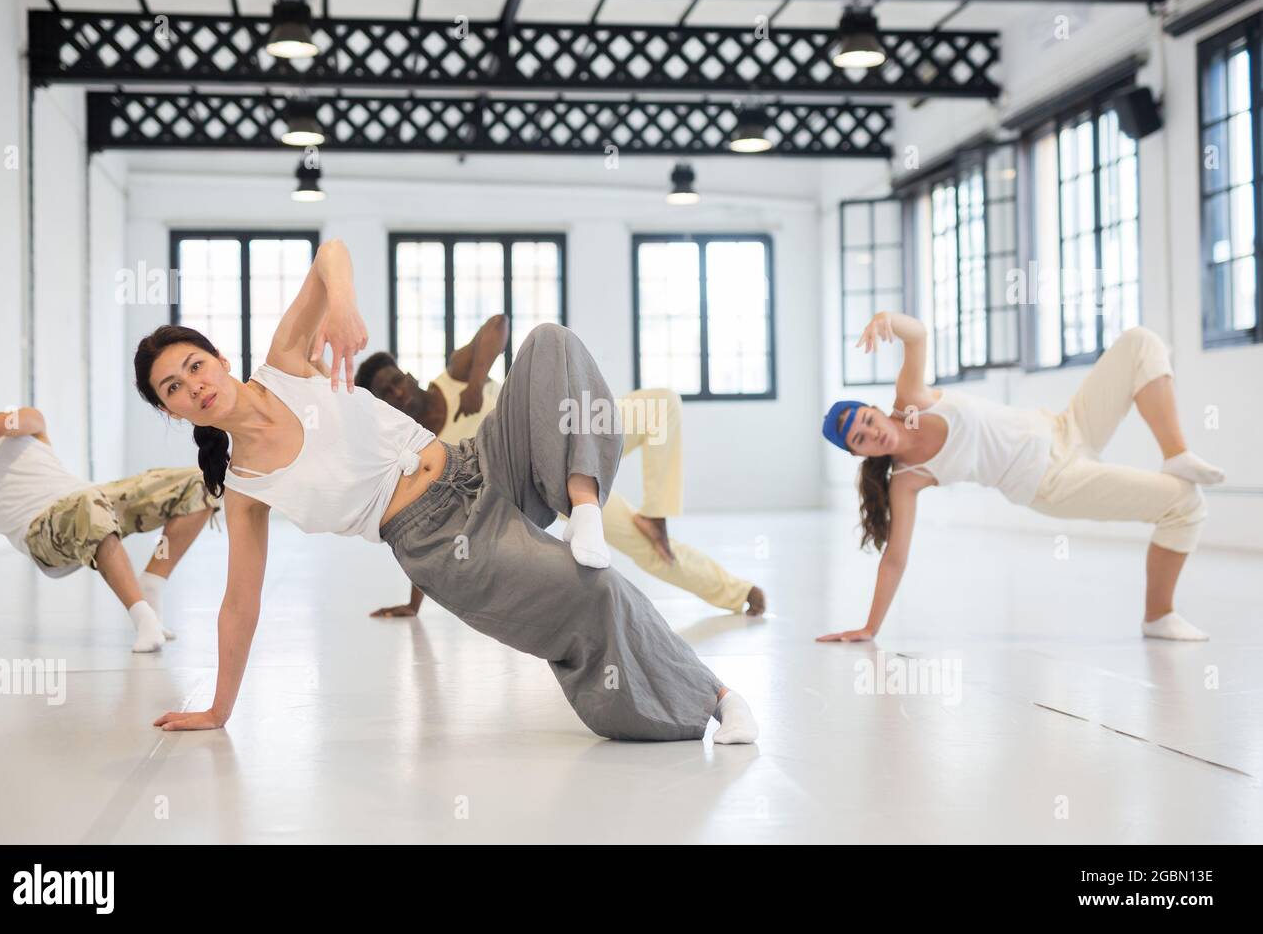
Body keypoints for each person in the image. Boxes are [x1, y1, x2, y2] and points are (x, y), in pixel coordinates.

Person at [134, 239, 758, 743]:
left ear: (216, 357)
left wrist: (343, 302)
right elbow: (239, 605)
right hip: (440, 540)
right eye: (173, 389)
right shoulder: (245, 488)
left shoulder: (286, 363)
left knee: (549, 342)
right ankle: (716, 698)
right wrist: (218, 708)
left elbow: (330, 253)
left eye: (194, 366)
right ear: (173, 412)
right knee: (592, 591)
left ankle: (584, 504)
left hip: (476, 462)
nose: (193, 386)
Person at [818, 311, 1221, 644]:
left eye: (868, 420)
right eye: (861, 439)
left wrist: (887, 320)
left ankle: (1176, 454)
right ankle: (1158, 615)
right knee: (1185, 503)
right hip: (1050, 481)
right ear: (859, 454)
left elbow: (918, 335)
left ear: (875, 409)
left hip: (1066, 428)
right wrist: (870, 628)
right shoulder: (907, 479)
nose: (873, 433)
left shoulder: (910, 398)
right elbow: (895, 559)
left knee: (1140, 341)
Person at [354, 321, 765, 619]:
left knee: (661, 405)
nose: (397, 393)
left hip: (576, 425)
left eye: (395, 381)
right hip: (552, 480)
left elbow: (497, 327)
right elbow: (430, 518)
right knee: (647, 548)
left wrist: (477, 384)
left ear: (406, 374)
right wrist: (414, 603)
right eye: (387, 395)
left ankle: (657, 514)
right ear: (387, 408)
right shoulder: (427, 447)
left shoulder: (455, 374)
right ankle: (738, 592)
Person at [0, 367, 218, 650]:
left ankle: (152, 581)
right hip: (42, 533)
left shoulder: (23, 419)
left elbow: (1, 426)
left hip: (91, 498)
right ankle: (143, 617)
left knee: (199, 483)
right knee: (86, 506)